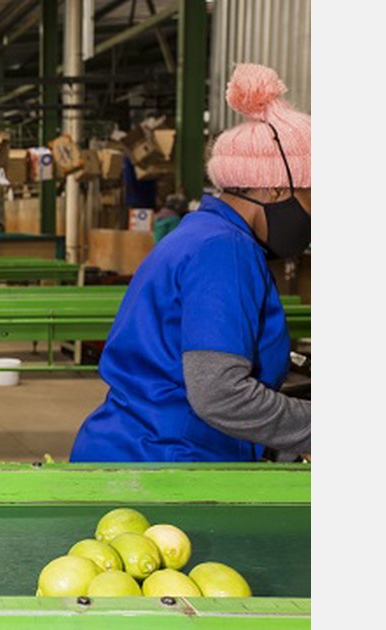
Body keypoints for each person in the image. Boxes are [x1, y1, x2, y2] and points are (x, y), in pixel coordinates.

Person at [70, 63, 310, 463]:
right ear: (277, 186)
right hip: (167, 466)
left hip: (138, 449)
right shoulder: (224, 251)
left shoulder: (201, 233)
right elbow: (220, 395)